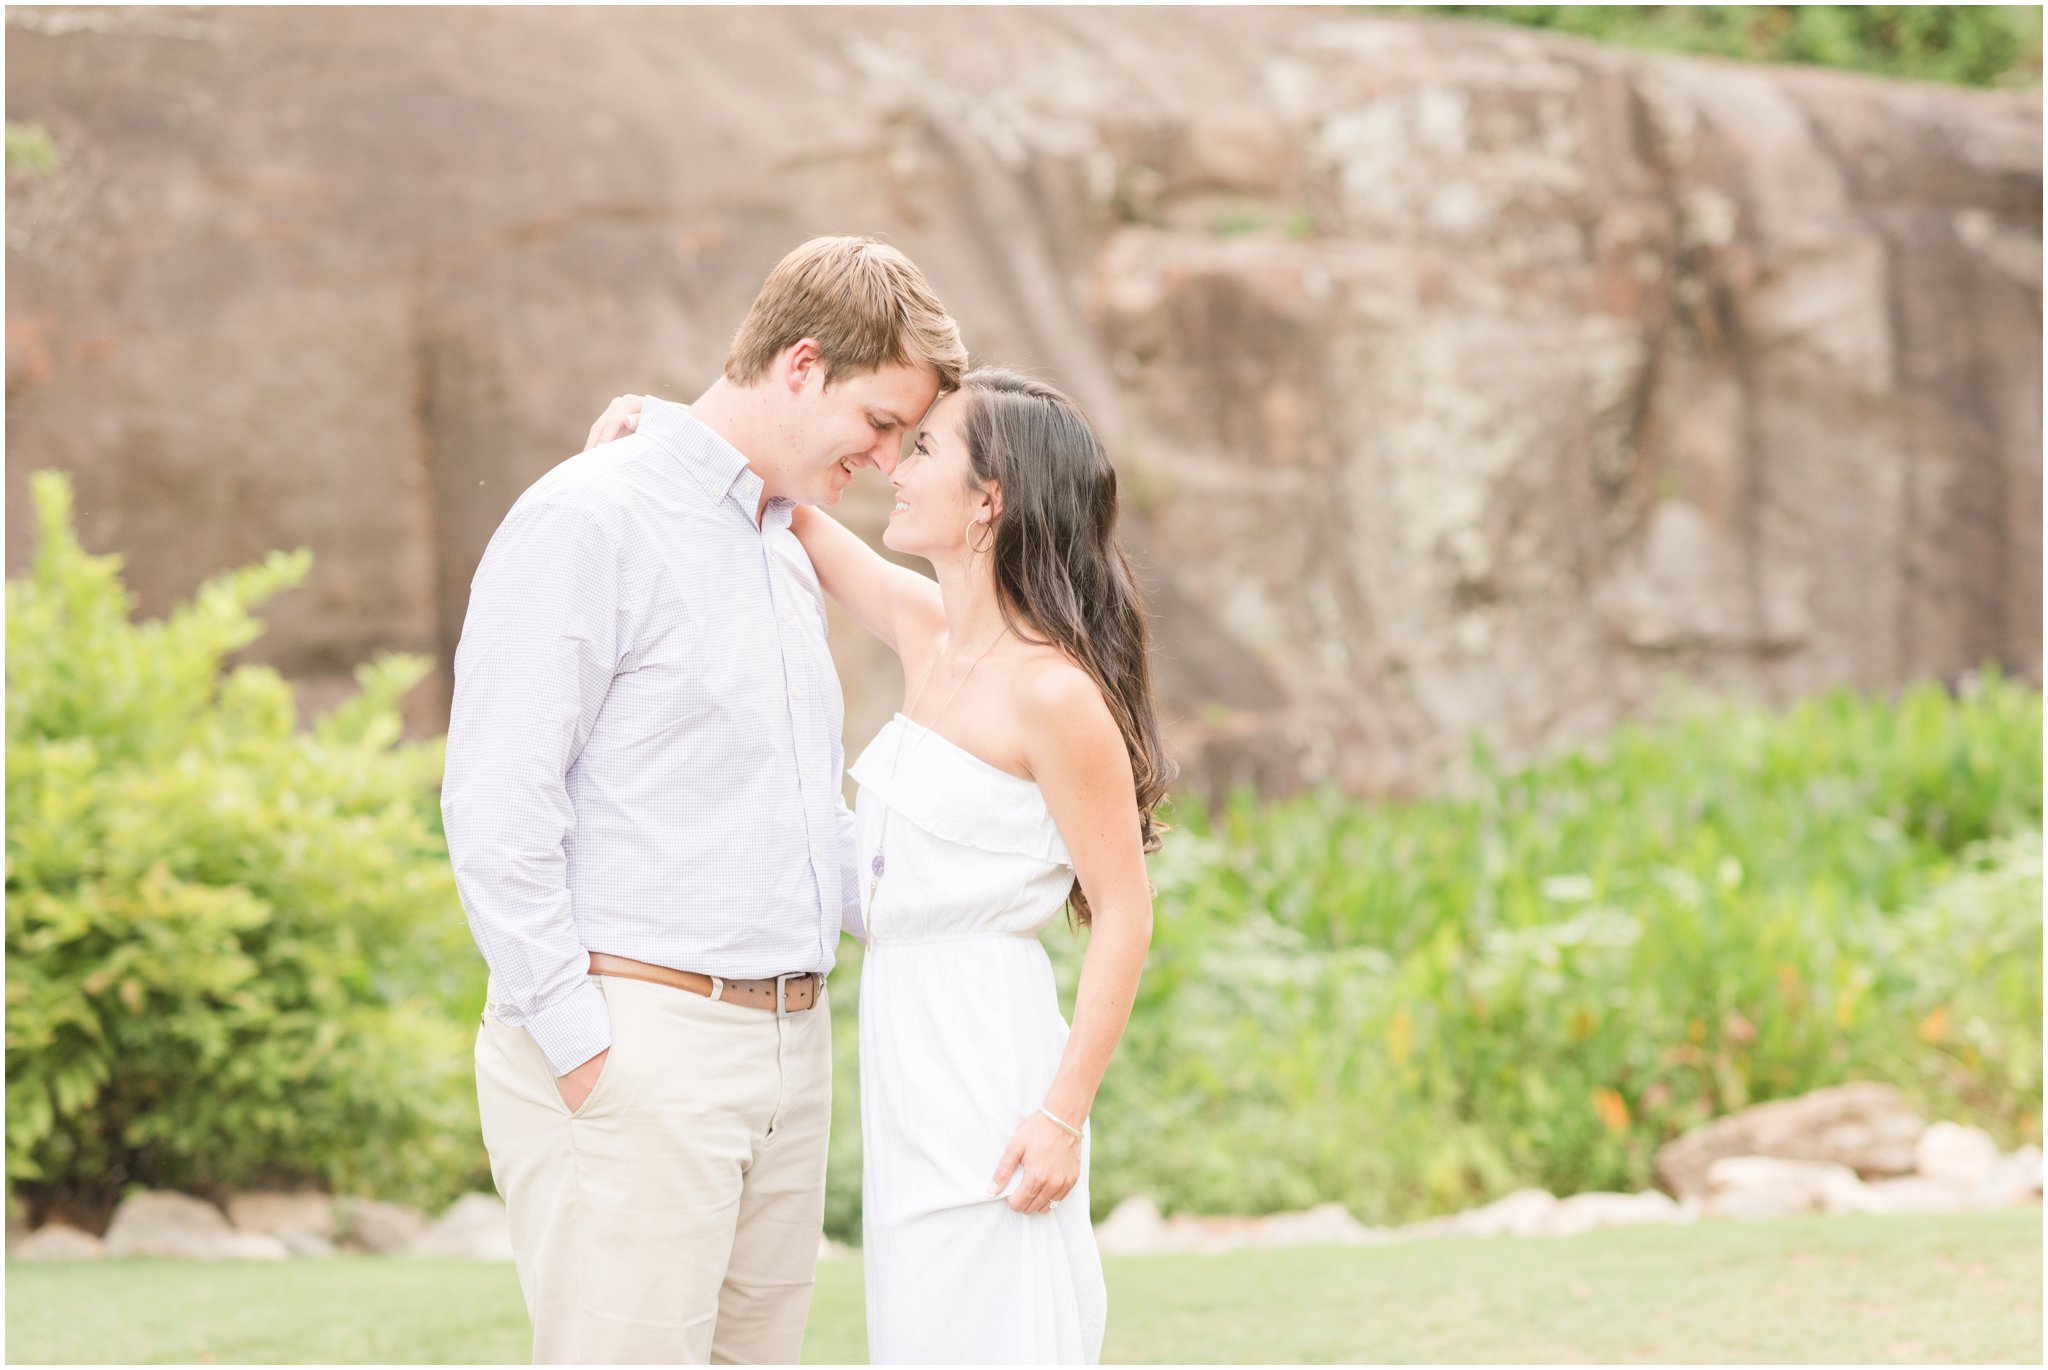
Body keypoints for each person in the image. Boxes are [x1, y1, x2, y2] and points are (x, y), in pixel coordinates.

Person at [440, 235, 966, 1364]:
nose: (887, 459)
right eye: (879, 421)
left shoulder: (781, 543)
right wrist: (583, 1048)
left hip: (788, 1052)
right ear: (801, 366)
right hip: (641, 1043)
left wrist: (968, 915)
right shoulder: (590, 515)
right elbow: (496, 800)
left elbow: (800, 815)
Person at [587, 367, 1168, 1363]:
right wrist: (667, 425)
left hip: (986, 1045)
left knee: (991, 1314)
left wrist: (1060, 1114)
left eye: (926, 448)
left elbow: (1124, 911)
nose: (894, 466)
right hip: (902, 1044)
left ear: (988, 502)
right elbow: (788, 506)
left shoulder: (1053, 694)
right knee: (918, 1322)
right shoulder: (930, 631)